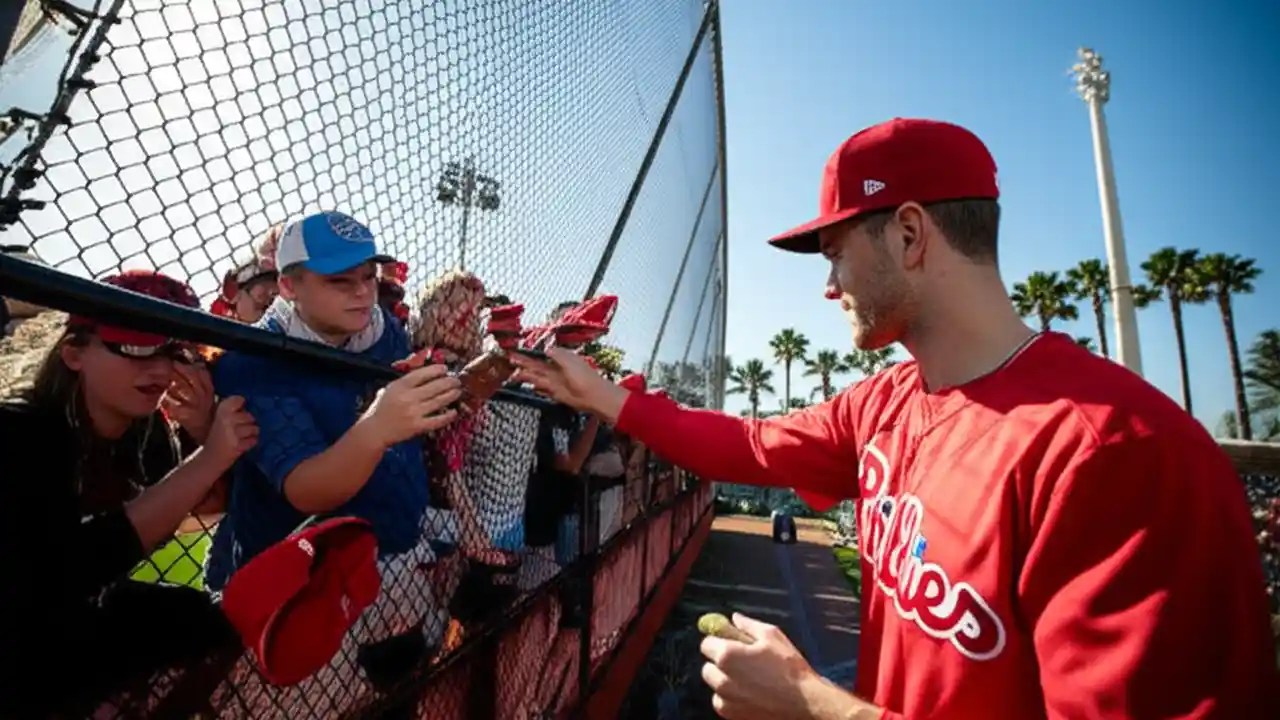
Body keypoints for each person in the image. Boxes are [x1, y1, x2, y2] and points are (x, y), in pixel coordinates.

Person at [511, 118, 1280, 719]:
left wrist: (819, 708)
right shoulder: (888, 400)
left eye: (836, 252)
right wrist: (600, 396)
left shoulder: (1118, 453)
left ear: (910, 235)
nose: (829, 284)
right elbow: (747, 444)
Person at [0, 270, 258, 717]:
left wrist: (201, 431)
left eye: (173, 349)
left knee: (216, 622)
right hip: (27, 633)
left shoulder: (145, 435)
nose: (159, 368)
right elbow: (61, 574)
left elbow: (202, 514)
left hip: (75, 619)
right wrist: (209, 458)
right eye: (134, 346)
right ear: (74, 353)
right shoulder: (22, 430)